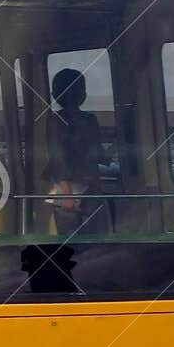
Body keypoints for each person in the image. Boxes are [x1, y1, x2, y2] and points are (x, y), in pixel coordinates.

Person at [41, 67, 106, 233]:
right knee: (93, 238)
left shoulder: (54, 121)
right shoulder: (90, 120)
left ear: (56, 94)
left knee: (70, 240)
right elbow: (98, 154)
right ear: (81, 94)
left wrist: (66, 192)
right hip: (90, 186)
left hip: (71, 190)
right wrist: (68, 194)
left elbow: (57, 157)